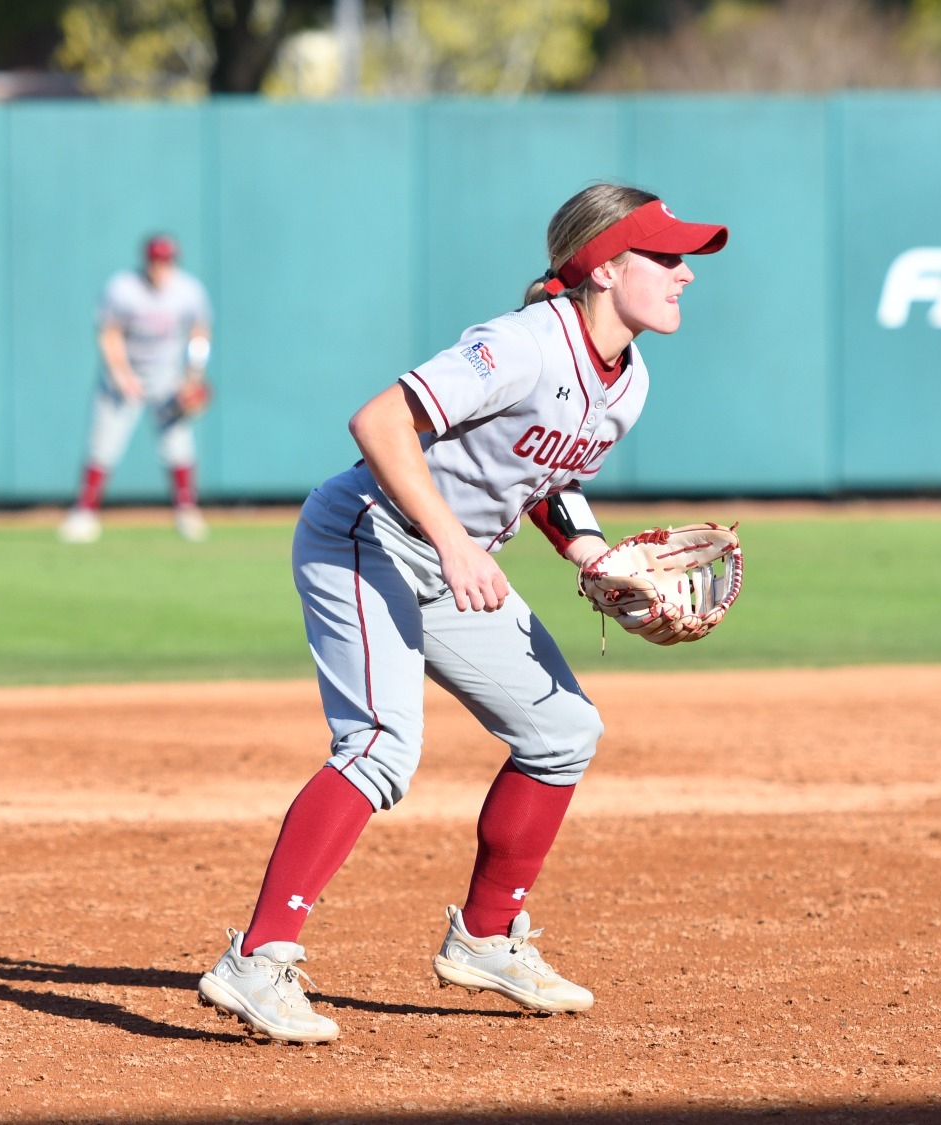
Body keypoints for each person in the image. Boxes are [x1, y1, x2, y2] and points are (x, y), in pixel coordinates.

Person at [195, 184, 728, 1042]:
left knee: (563, 732)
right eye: (666, 257)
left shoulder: (628, 385)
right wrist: (452, 540)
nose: (684, 275)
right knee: (380, 748)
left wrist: (589, 554)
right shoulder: (519, 345)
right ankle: (255, 960)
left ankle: (486, 935)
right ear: (603, 266)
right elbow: (379, 421)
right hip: (367, 535)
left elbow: (545, 477)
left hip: (453, 561)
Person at [57, 233, 213, 544]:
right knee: (104, 444)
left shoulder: (188, 290)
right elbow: (109, 334)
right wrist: (121, 375)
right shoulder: (123, 288)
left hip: (167, 378)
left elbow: (199, 332)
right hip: (125, 375)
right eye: (156, 260)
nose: (160, 267)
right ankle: (85, 512)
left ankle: (186, 511)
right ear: (146, 260)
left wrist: (193, 376)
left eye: (166, 260)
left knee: (178, 446)